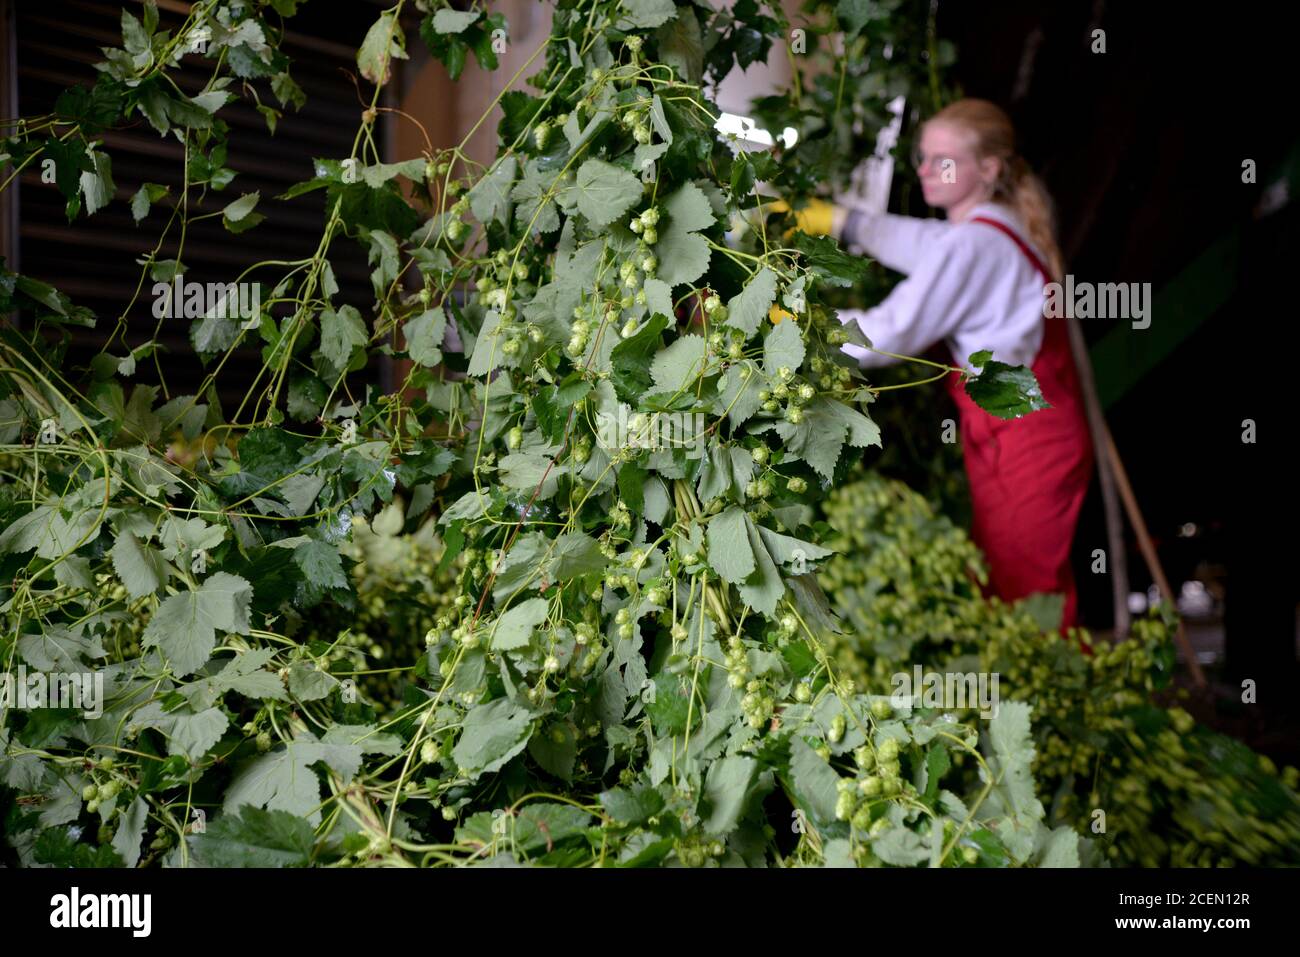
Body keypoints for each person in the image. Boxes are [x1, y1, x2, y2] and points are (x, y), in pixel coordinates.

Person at [804, 98, 1094, 630]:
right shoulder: (992, 230)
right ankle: (1026, 701)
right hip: (1021, 432)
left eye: (942, 160)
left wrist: (794, 324)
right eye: (922, 157)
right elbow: (922, 243)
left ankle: (1048, 703)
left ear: (988, 169)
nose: (923, 170)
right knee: (1007, 583)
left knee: (1027, 596)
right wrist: (840, 221)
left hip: (1028, 440)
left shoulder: (979, 244)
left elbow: (889, 333)